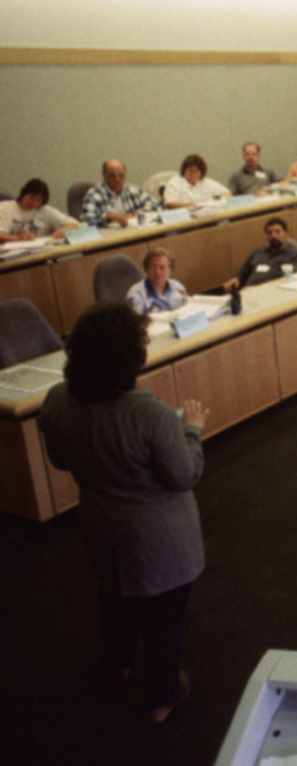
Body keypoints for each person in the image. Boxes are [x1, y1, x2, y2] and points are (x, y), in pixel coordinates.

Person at [38, 302, 208, 724]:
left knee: (113, 598)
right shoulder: (151, 415)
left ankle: (117, 664)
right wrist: (193, 429)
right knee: (166, 620)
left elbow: (59, 460)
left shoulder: (57, 399)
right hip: (158, 540)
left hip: (100, 526)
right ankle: (163, 699)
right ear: (130, 359)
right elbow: (183, 475)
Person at [222, 217, 297, 291]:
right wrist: (236, 279)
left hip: (272, 292)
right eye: (269, 232)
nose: (273, 235)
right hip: (248, 291)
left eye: (277, 232)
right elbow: (242, 272)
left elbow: (296, 278)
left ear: (286, 233)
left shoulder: (292, 254)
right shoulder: (258, 252)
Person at [79, 159, 160, 229]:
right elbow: (86, 220)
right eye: (112, 176)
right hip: (108, 239)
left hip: (132, 233)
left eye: (121, 175)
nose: (117, 179)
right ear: (104, 176)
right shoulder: (94, 194)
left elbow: (154, 205)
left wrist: (133, 214)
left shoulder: (131, 189)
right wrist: (109, 217)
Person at [0, 178, 79, 241]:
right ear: (24, 193)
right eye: (32, 197)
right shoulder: (4, 208)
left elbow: (74, 224)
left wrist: (63, 230)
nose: (34, 203)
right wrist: (17, 238)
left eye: (38, 200)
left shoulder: (44, 211)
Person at [127, 247, 188, 315]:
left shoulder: (178, 287)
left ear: (170, 270)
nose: (157, 273)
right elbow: (136, 323)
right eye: (153, 268)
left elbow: (188, 310)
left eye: (162, 268)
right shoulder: (136, 293)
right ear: (146, 270)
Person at [163, 154, 229, 208]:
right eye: (190, 171)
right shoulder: (174, 183)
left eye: (197, 171)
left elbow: (228, 193)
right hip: (183, 219)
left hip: (206, 217)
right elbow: (170, 203)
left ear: (201, 173)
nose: (193, 174)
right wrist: (192, 206)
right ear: (184, 170)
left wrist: (215, 202)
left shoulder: (205, 182)